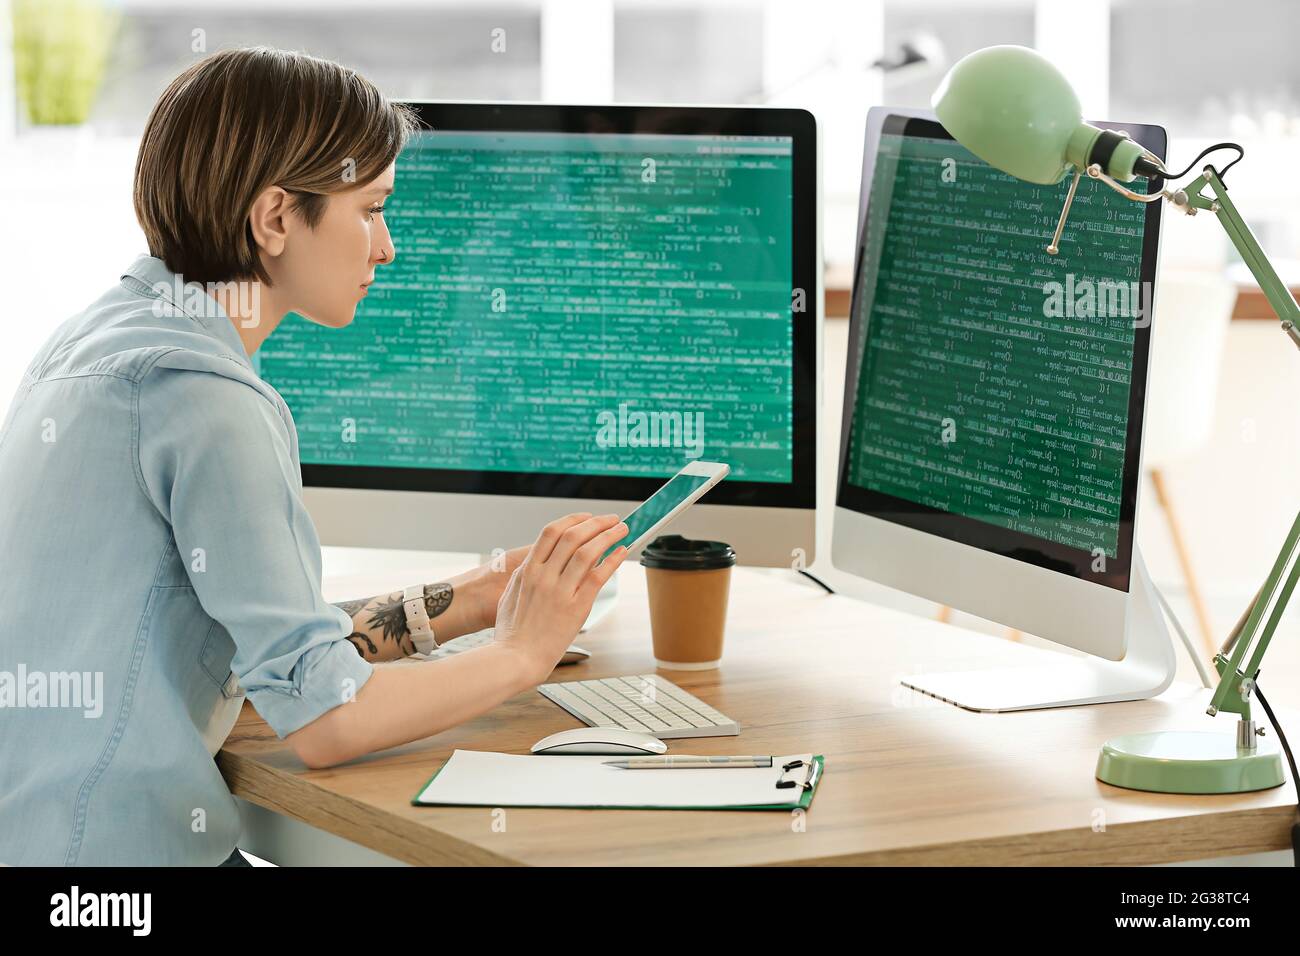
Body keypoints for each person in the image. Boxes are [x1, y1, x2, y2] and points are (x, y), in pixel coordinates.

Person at [0, 47, 628, 866]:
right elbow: (331, 721)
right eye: (370, 209)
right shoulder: (208, 397)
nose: (387, 246)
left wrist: (474, 598)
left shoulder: (99, 340)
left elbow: (272, 646)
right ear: (273, 219)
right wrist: (523, 652)